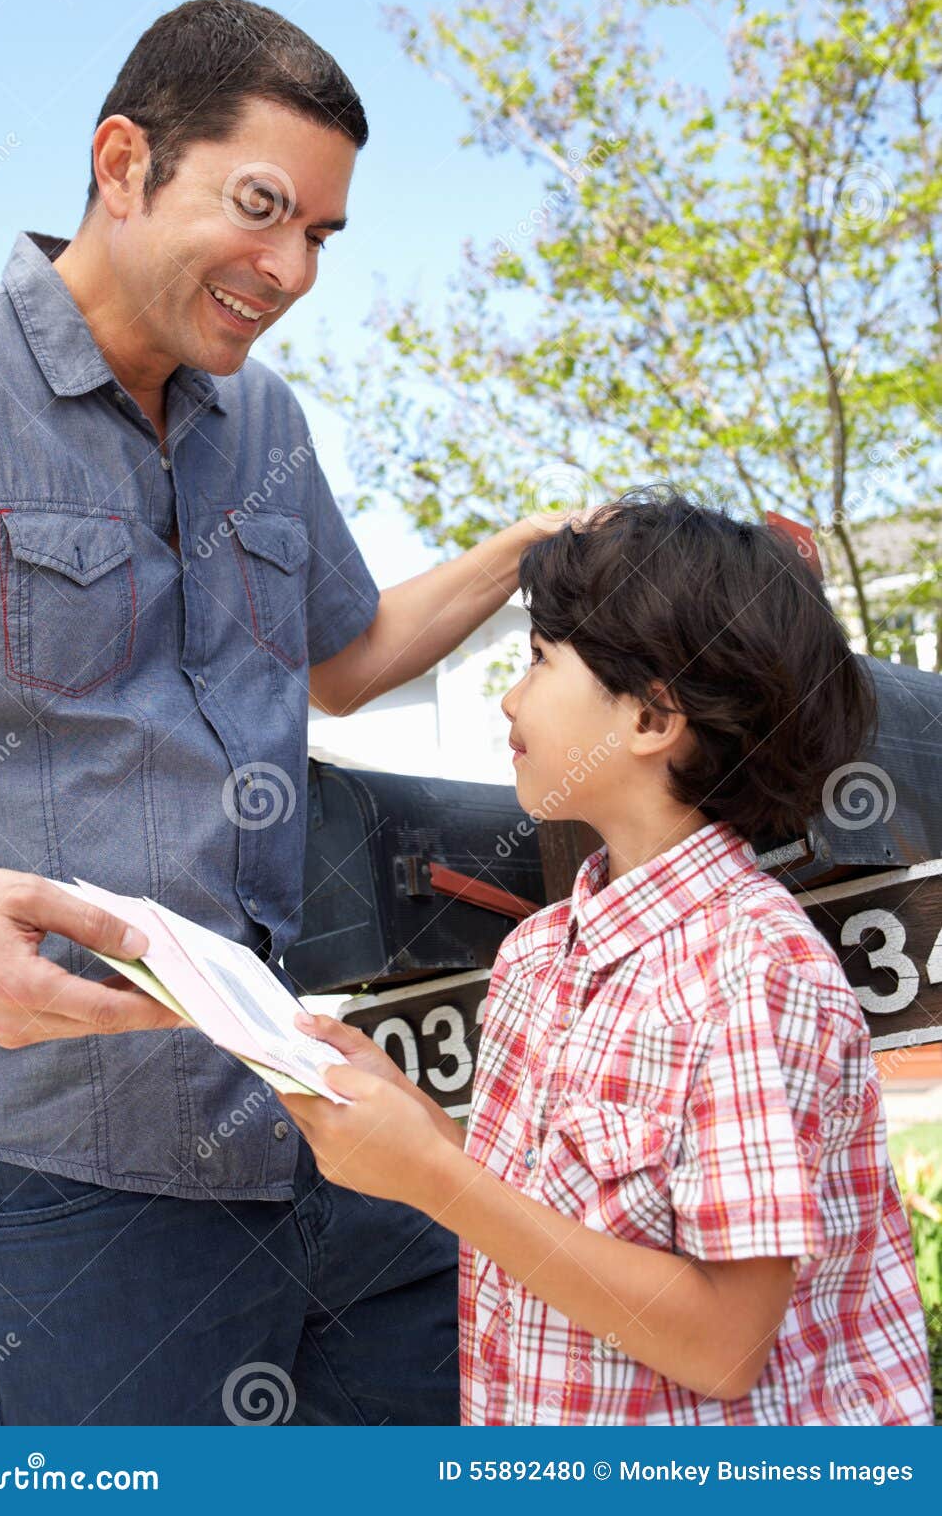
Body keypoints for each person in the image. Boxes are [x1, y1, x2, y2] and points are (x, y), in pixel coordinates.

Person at [0, 0, 569, 1425]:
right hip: (37, 1172)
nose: (289, 267)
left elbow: (346, 654)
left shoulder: (265, 425)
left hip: (296, 1141)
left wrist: (536, 543)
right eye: (261, 208)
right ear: (122, 160)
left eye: (318, 233)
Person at [281, 489, 935, 1426]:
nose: (509, 694)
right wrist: (415, 1125)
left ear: (650, 717)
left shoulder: (751, 971)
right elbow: (542, 1206)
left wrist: (433, 1179)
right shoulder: (540, 954)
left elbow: (723, 1345)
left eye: (540, 660)